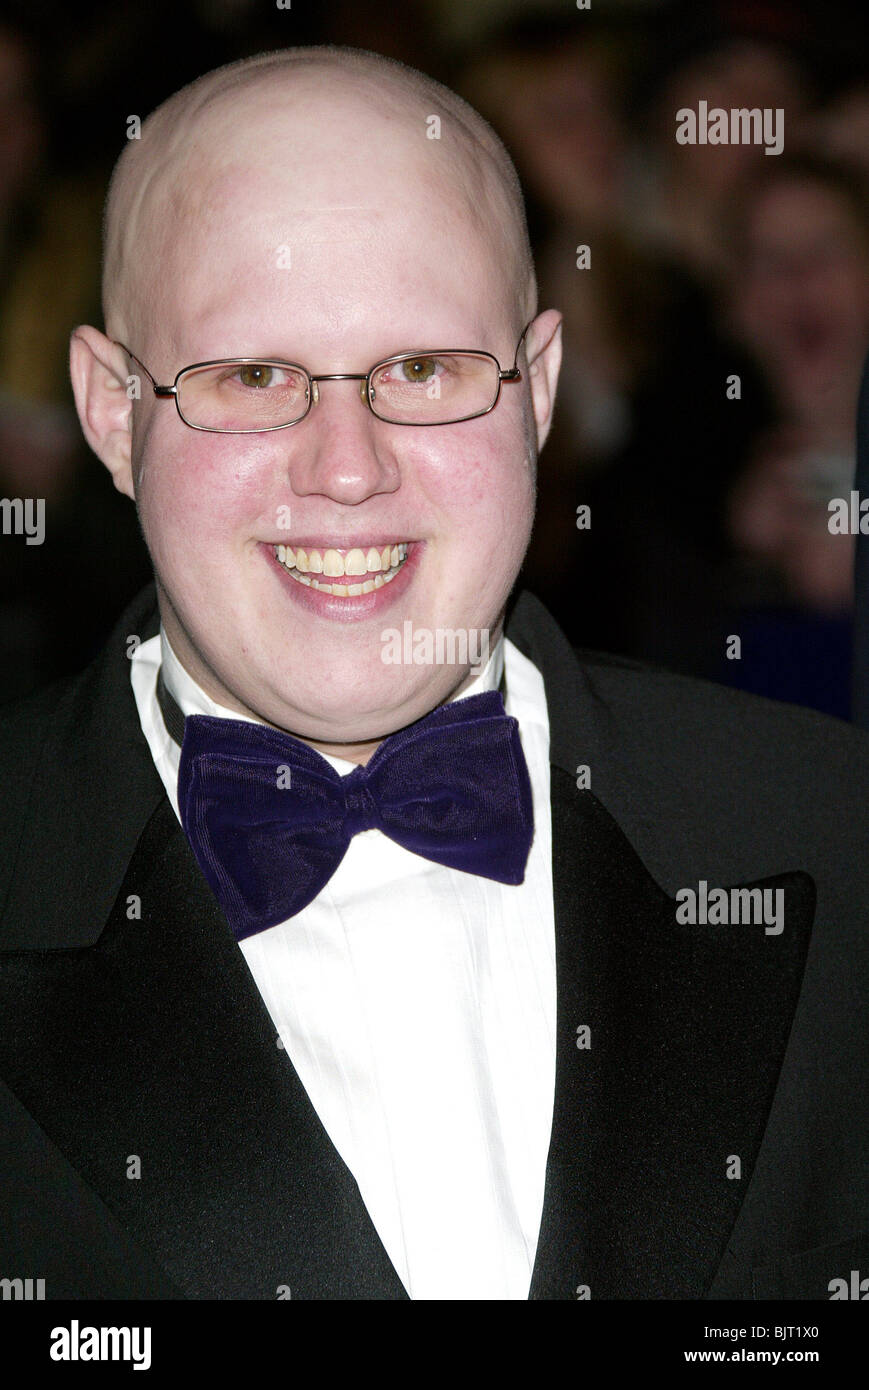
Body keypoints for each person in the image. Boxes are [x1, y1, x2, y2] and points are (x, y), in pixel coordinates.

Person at [0, 45, 867, 1303]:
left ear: (539, 390)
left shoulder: (833, 834)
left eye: (420, 370)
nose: (345, 467)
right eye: (253, 376)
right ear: (111, 410)